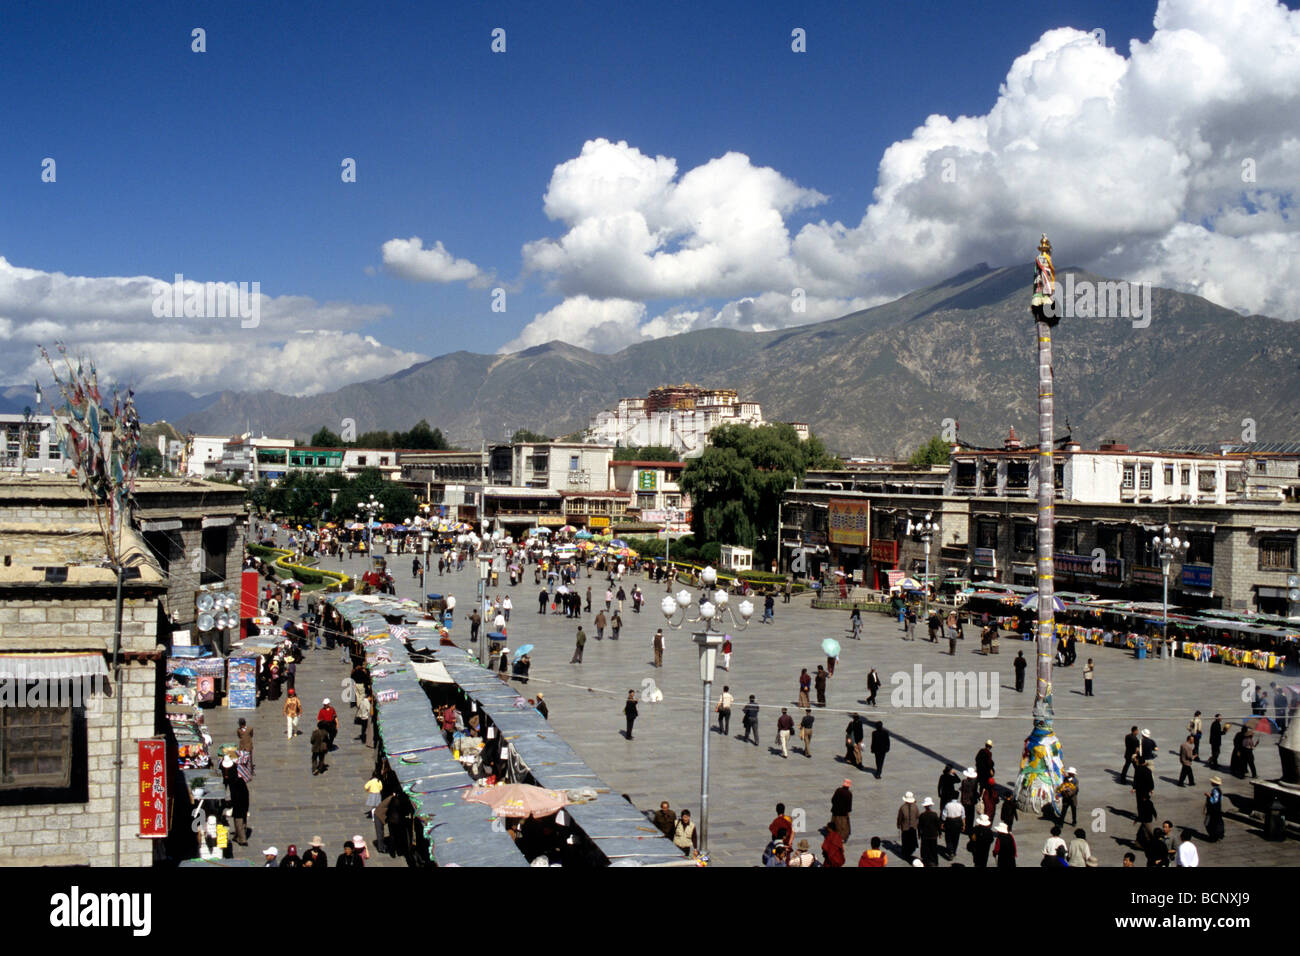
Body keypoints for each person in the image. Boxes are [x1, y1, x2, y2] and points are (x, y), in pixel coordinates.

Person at [917, 797, 941, 866]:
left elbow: (919, 826)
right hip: (933, 835)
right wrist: (940, 833)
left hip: (925, 835)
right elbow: (938, 825)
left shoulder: (922, 815)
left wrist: (919, 834)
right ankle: (935, 862)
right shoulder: (934, 814)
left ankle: (926, 862)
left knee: (925, 849)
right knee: (934, 849)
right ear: (931, 805)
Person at [897, 792, 919, 861]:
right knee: (912, 840)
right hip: (913, 827)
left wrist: (898, 824)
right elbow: (917, 816)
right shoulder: (915, 807)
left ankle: (906, 853)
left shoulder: (902, 807)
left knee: (905, 841)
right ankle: (910, 851)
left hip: (905, 828)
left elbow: (900, 817)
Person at [941, 794, 964, 859]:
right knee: (956, 837)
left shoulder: (947, 805)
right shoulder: (960, 805)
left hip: (949, 822)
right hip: (958, 822)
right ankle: (954, 850)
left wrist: (942, 823)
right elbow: (963, 816)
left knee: (948, 837)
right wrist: (964, 825)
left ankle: (950, 851)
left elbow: (944, 815)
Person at [1203, 776, 1225, 842]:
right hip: (1218, 810)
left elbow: (1214, 801)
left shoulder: (1215, 790)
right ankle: (1218, 836)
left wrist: (1208, 795)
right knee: (1217, 823)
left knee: (1208, 823)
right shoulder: (1219, 790)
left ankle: (1213, 836)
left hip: (1212, 811)